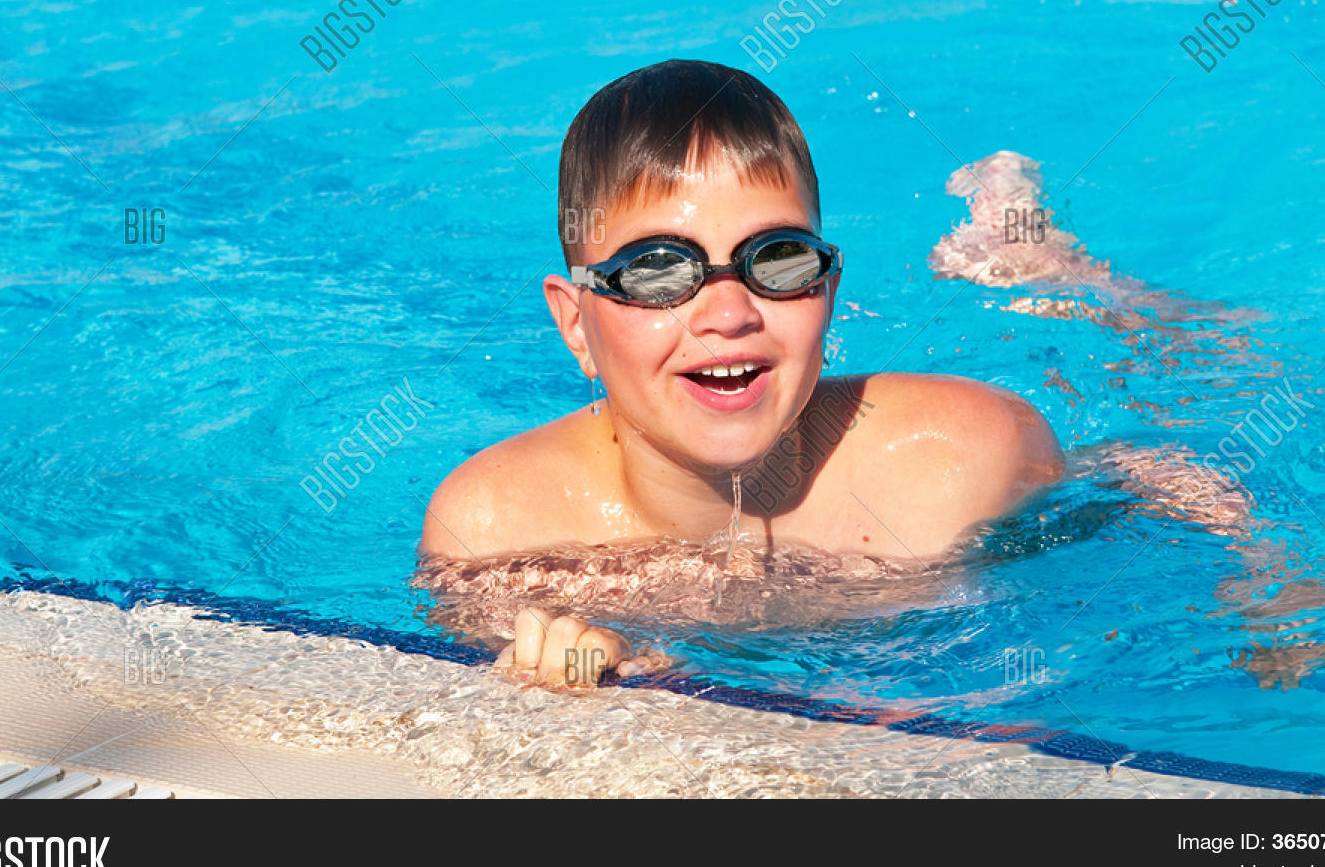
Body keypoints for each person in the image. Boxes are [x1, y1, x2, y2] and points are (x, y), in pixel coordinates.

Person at [419, 59, 1065, 687]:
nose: (728, 314)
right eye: (659, 270)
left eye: (778, 259)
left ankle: (1036, 259)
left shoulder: (965, 460)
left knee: (1061, 297)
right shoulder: (494, 536)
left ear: (830, 290)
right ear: (574, 326)